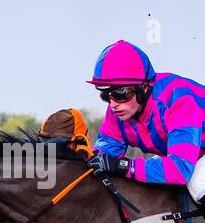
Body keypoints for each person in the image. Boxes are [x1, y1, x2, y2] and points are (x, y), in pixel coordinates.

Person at [86, 40, 205, 201]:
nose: (113, 104)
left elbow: (179, 170)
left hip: (186, 160)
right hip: (192, 154)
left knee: (198, 185)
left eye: (121, 93)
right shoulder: (118, 111)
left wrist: (123, 166)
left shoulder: (179, 100)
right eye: (106, 95)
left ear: (144, 87)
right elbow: (101, 159)